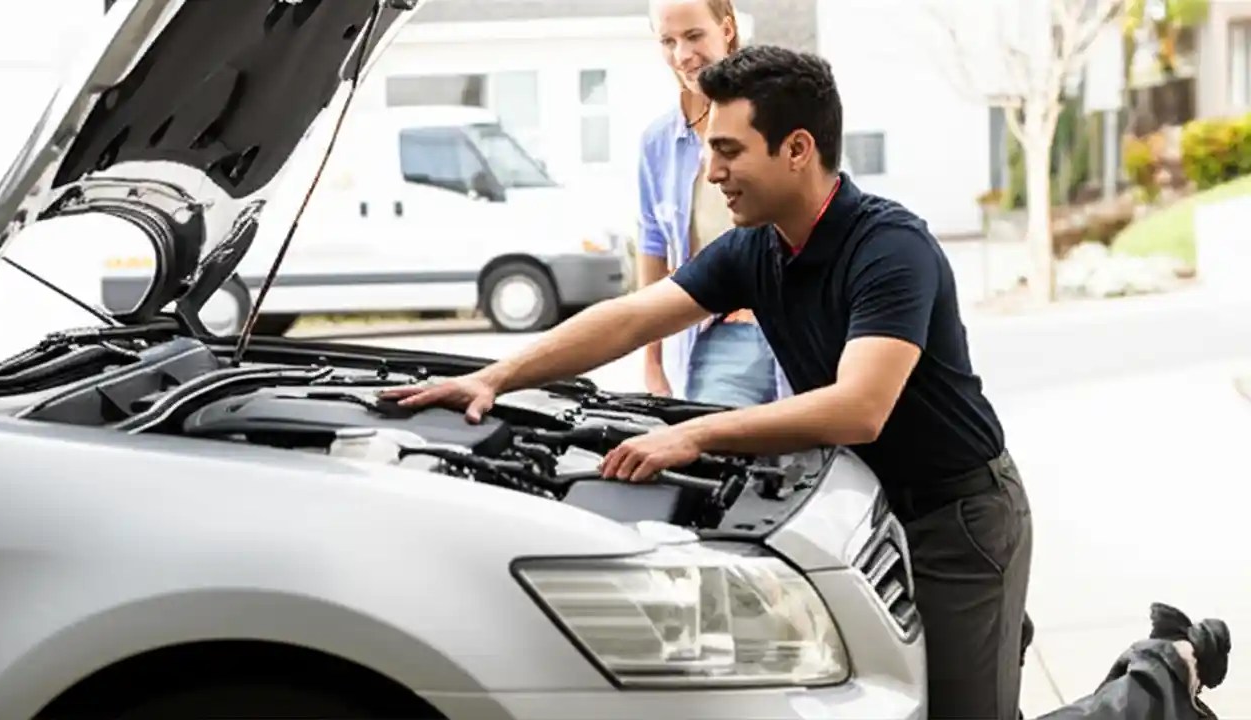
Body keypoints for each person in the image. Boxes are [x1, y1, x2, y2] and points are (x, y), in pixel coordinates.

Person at [380, 45, 1032, 720]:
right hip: (873, 509)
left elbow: (859, 407)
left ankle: (1148, 684)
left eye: (728, 149)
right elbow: (632, 317)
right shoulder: (758, 247)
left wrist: (694, 433)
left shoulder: (891, 249)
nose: (711, 171)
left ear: (798, 149)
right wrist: (494, 378)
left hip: (960, 517)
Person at [636, 0, 789, 407]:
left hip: (785, 328)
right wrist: (652, 358)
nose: (682, 55)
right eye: (667, 41)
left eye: (693, 36)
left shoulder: (783, 116)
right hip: (709, 337)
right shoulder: (658, 143)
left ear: (727, 29)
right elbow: (654, 248)